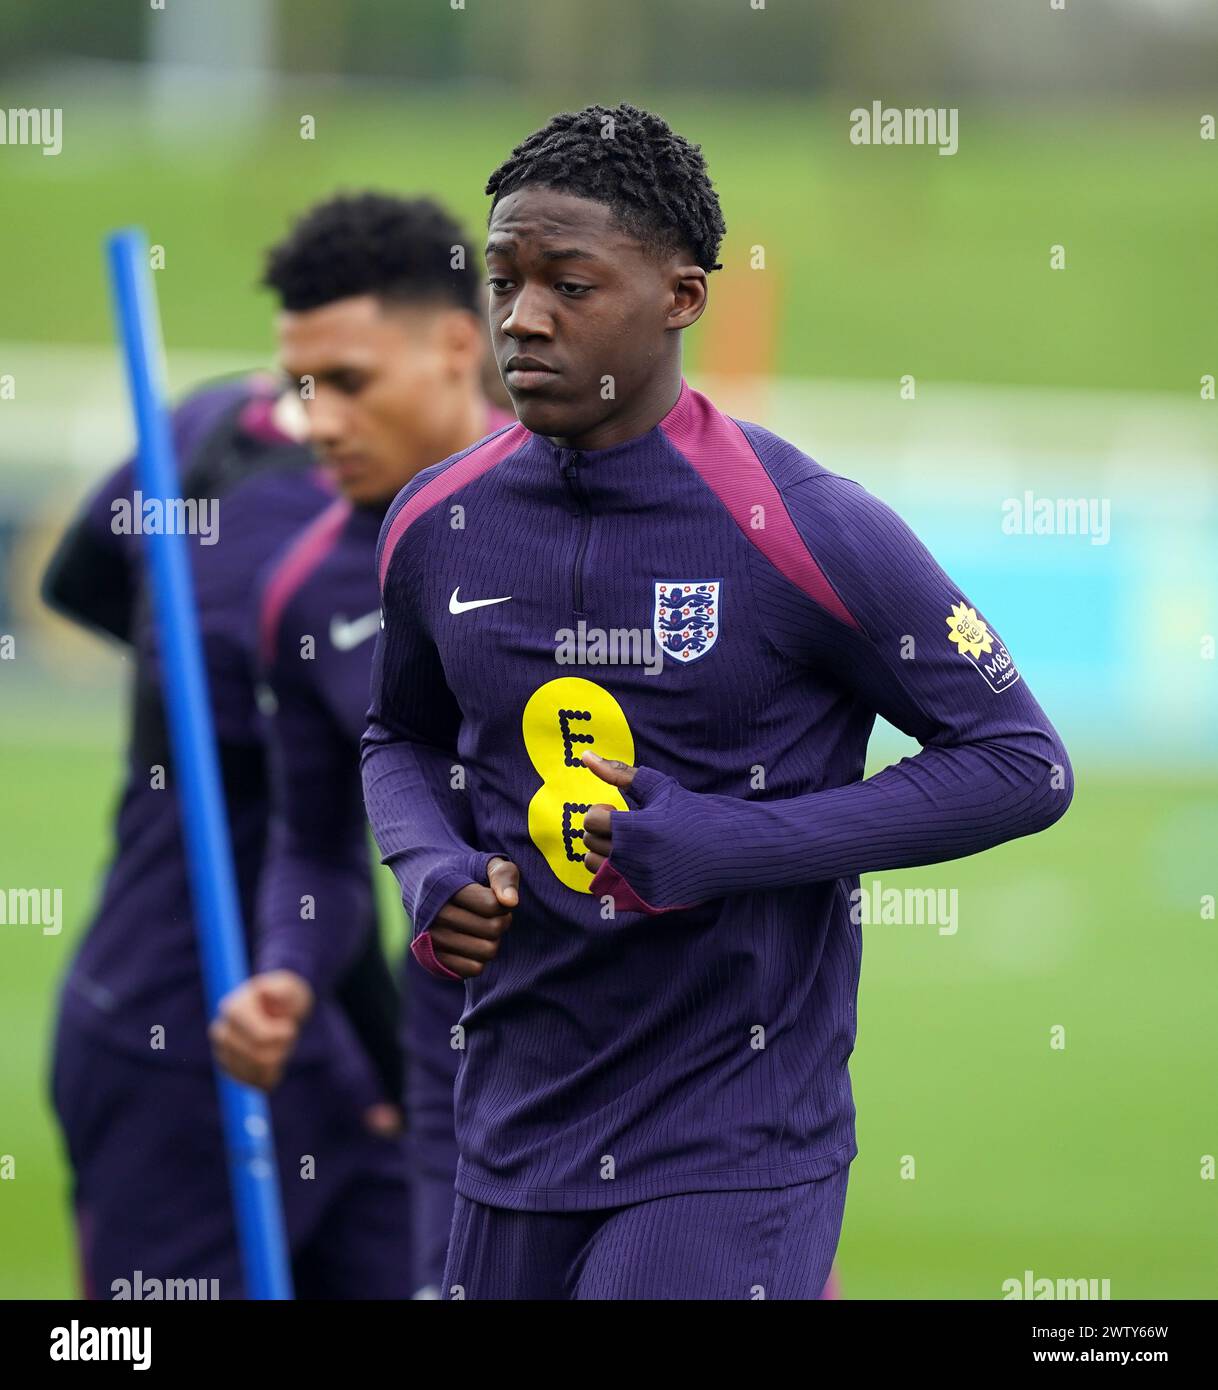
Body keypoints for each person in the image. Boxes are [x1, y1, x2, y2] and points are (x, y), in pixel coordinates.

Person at [360, 103, 1074, 1300]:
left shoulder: (807, 525)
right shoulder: (437, 522)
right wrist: (428, 863)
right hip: (514, 1123)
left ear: (682, 299)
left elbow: (1019, 762)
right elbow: (403, 734)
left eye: (569, 284)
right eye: (505, 279)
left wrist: (725, 842)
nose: (522, 318)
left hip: (734, 1134)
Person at [43, 349, 410, 1297]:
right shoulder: (327, 543)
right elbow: (316, 841)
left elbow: (73, 580)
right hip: (194, 1032)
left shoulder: (211, 418)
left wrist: (181, 681)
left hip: (286, 1025)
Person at [207, 192, 513, 1297]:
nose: (315, 421)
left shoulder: (616, 503)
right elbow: (316, 848)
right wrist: (287, 972)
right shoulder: (303, 591)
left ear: (453, 346)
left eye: (347, 381)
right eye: (300, 387)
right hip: (457, 1064)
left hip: (674, 1056)